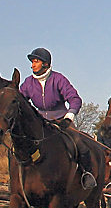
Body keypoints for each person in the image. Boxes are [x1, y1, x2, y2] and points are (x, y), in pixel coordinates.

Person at [19, 47, 96, 189]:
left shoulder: (58, 79)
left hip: (61, 120)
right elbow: (19, 101)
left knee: (80, 144)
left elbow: (75, 99)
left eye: (36, 61)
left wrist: (69, 117)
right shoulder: (28, 83)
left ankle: (87, 174)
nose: (32, 65)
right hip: (40, 122)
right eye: (32, 62)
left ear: (46, 64)